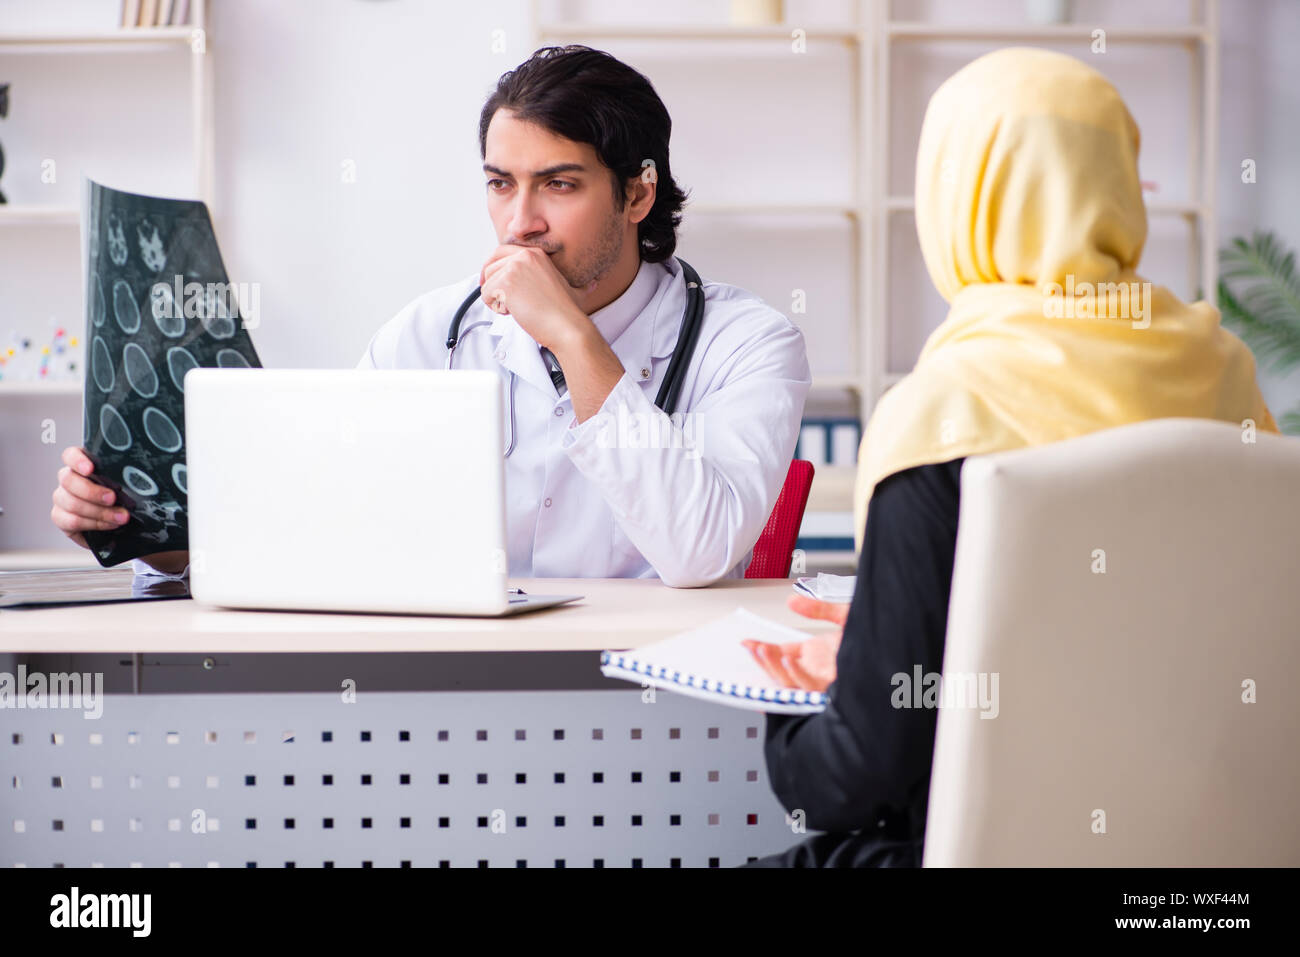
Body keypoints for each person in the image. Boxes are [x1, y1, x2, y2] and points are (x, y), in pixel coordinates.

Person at [742, 47, 1279, 867]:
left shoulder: (949, 409)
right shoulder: (1229, 379)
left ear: (957, 197)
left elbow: (854, 776)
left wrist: (791, 692)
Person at [51, 46, 811, 588]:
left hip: (651, 707)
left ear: (638, 194)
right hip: (448, 704)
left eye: (558, 184)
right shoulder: (425, 336)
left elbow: (699, 550)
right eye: (500, 183)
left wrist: (572, 336)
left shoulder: (746, 344)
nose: (521, 222)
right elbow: (312, 534)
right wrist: (150, 533)